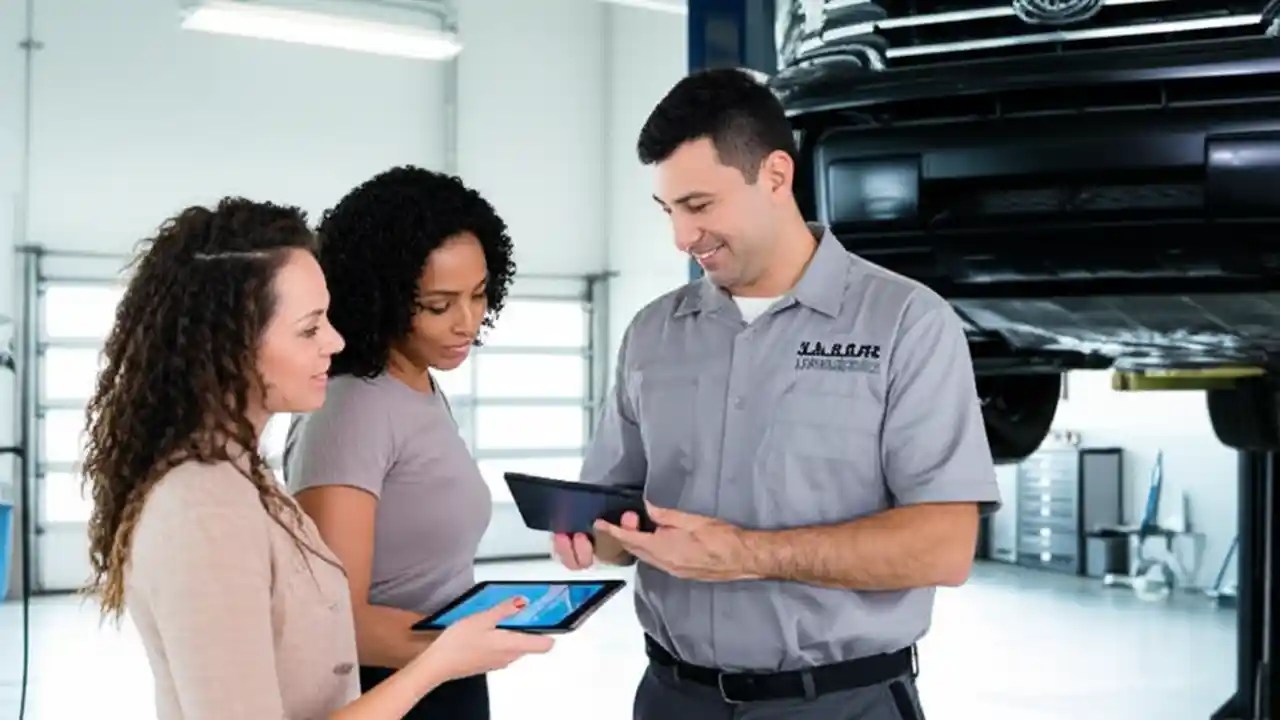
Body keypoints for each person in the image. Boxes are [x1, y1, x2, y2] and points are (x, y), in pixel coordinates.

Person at [552, 67, 1001, 719]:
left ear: (776, 176)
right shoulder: (652, 333)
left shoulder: (906, 322)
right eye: (669, 210)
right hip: (672, 700)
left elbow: (943, 546)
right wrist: (595, 537)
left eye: (700, 206)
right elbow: (620, 518)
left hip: (841, 702)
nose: (681, 237)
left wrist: (745, 555)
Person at [81, 197, 551, 720]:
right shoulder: (204, 511)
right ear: (231, 344)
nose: (335, 340)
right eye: (309, 328)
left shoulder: (243, 480)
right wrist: (436, 662)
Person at [283, 166, 517, 720]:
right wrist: (465, 646)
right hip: (391, 692)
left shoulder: (419, 381)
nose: (467, 322)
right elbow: (339, 620)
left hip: (446, 677)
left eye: (479, 295)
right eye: (439, 305)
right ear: (380, 298)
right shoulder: (352, 406)